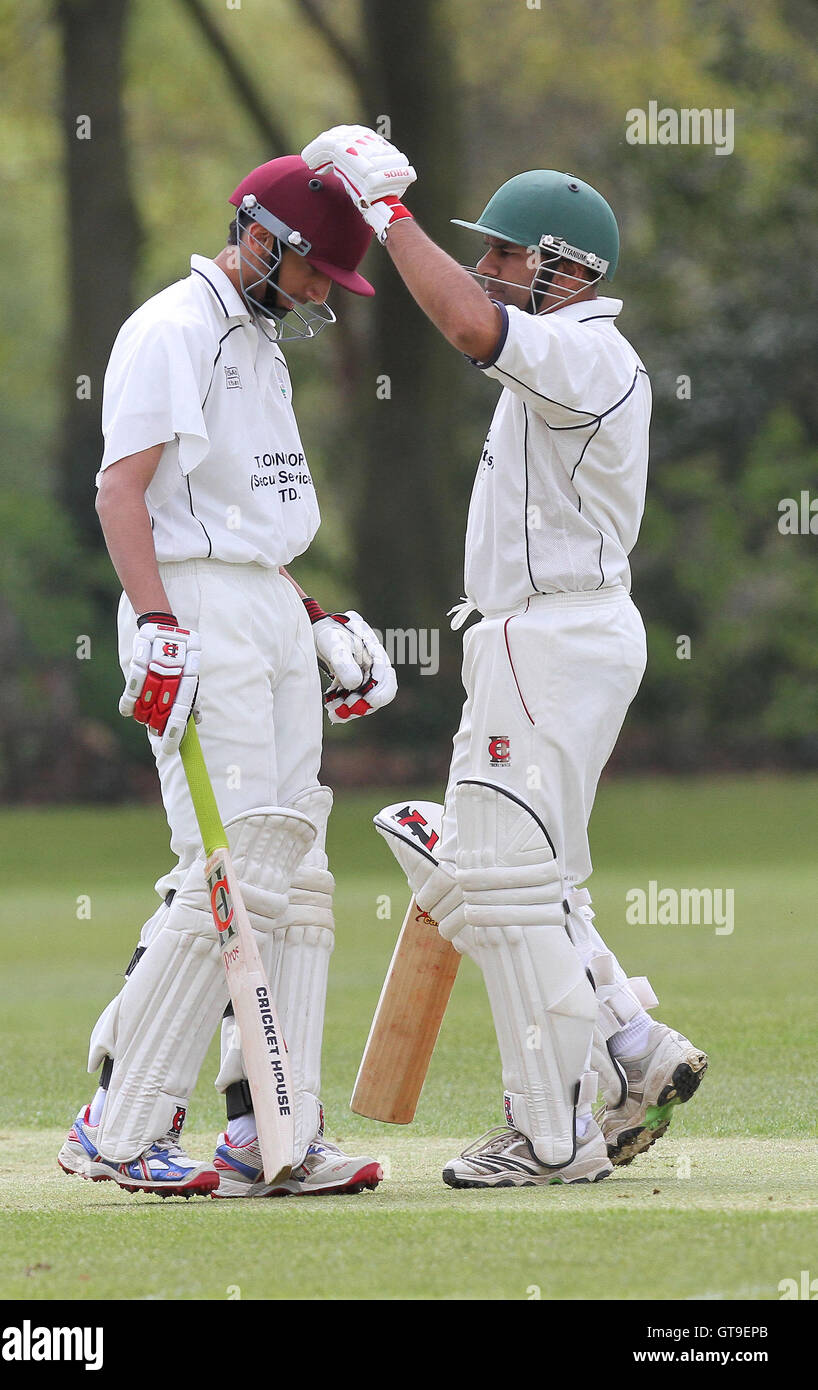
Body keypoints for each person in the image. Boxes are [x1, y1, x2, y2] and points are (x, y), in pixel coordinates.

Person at [301, 126, 707, 1187]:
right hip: (535, 639)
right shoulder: (570, 358)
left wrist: (389, 214)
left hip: (551, 637)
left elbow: (468, 325)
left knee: (505, 886)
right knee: (517, 880)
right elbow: (480, 315)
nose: (483, 267)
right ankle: (627, 1043)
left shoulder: (582, 350)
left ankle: (552, 1134)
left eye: (502, 253)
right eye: (478, 250)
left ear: (563, 267)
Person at [57, 156, 395, 1198]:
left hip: (259, 605)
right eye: (311, 277)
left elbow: (247, 522)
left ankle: (270, 1130)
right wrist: (157, 623)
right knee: (232, 869)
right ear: (263, 239)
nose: (313, 298)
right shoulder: (171, 328)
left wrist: (314, 616)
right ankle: (116, 1126)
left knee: (294, 877)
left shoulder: (257, 345)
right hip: (191, 608)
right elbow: (123, 493)